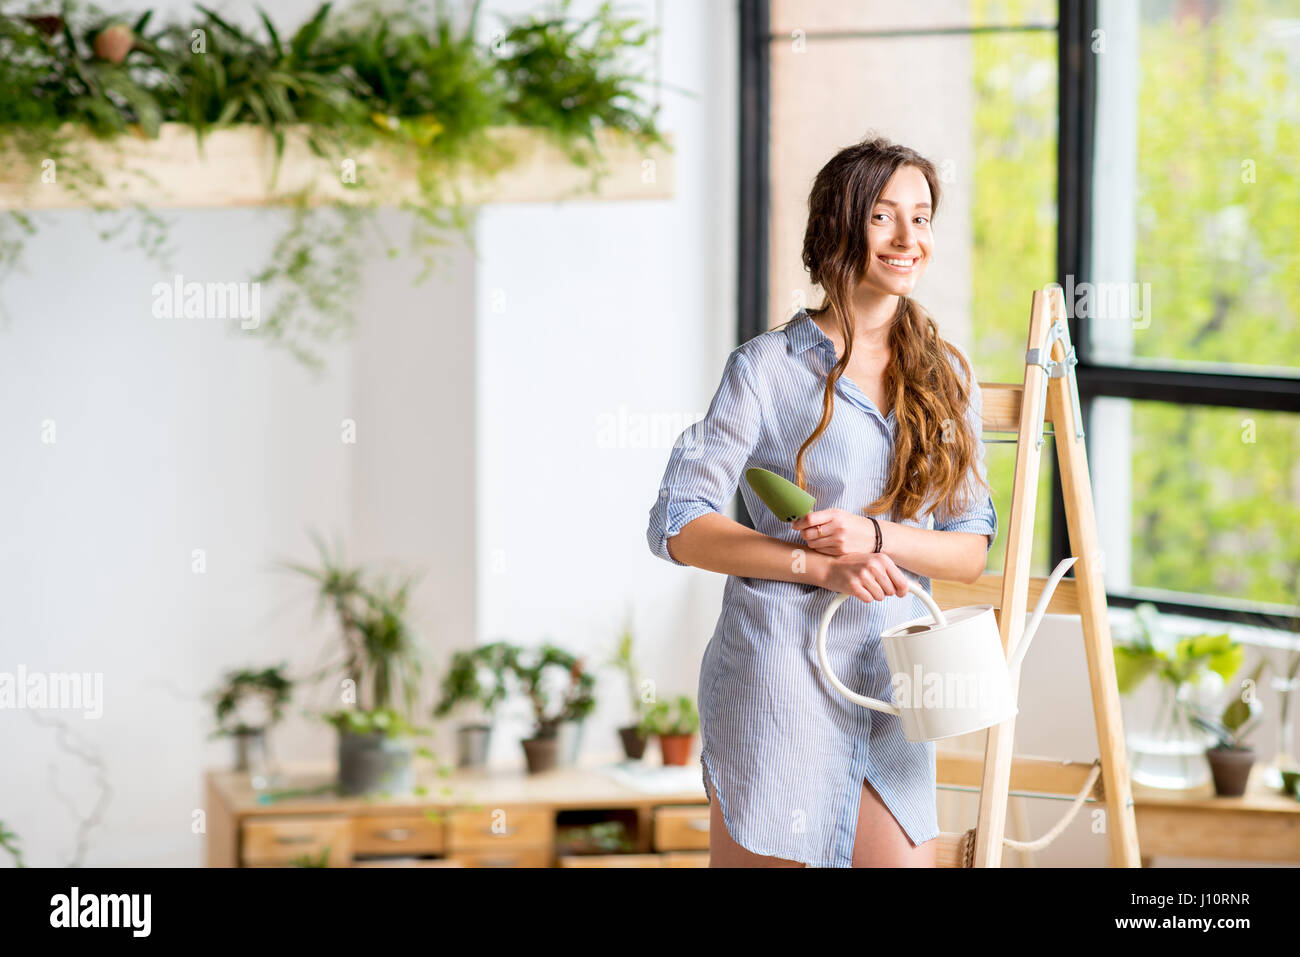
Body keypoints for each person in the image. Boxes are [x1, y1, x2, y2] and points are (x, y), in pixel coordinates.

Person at [645, 136, 998, 867]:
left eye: (923, 218)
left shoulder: (944, 378)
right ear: (839, 227)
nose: (909, 238)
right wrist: (815, 564)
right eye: (883, 216)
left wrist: (875, 536)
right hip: (779, 671)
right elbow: (678, 523)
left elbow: (969, 546)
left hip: (899, 675)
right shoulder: (765, 369)